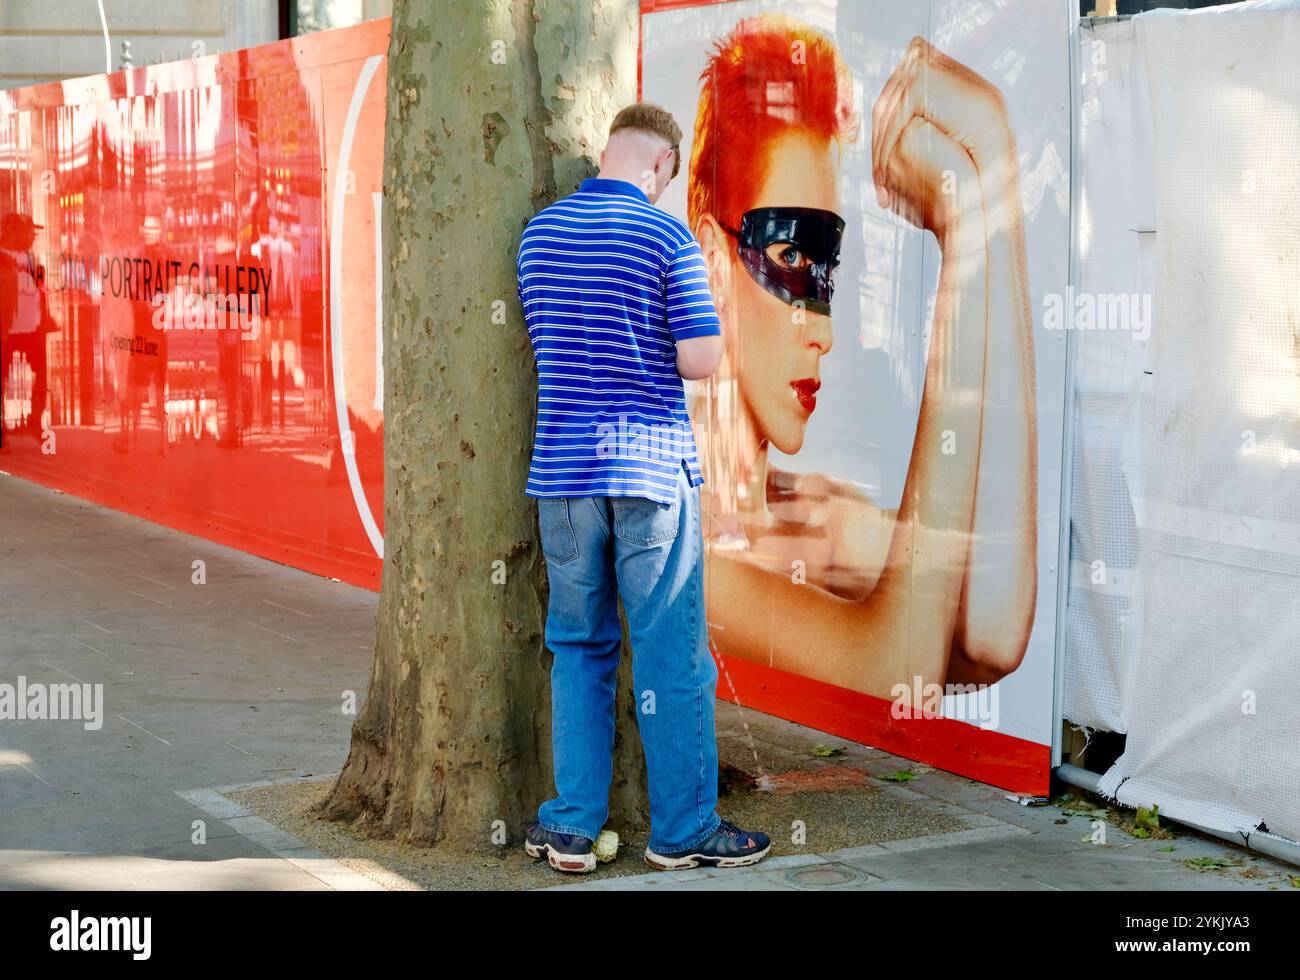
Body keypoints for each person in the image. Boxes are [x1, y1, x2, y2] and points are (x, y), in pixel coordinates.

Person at [686, 16, 1039, 698]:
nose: (824, 332)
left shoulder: (815, 515)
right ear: (710, 260)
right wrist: (963, 232)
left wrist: (991, 162)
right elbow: (892, 672)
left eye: (826, 273)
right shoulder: (680, 544)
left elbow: (992, 629)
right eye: (790, 257)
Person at [517, 103, 770, 873]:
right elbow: (699, 360)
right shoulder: (665, 236)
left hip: (563, 474)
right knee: (670, 653)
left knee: (578, 645)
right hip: (648, 472)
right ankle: (683, 830)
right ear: (661, 162)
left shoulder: (539, 236)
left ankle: (570, 828)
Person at [0, 212, 52, 444]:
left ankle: (34, 421)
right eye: (28, 231)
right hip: (6, 330)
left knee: (41, 375)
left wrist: (44, 317)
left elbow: (40, 291)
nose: (32, 236)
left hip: (33, 327)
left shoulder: (31, 258)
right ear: (12, 232)